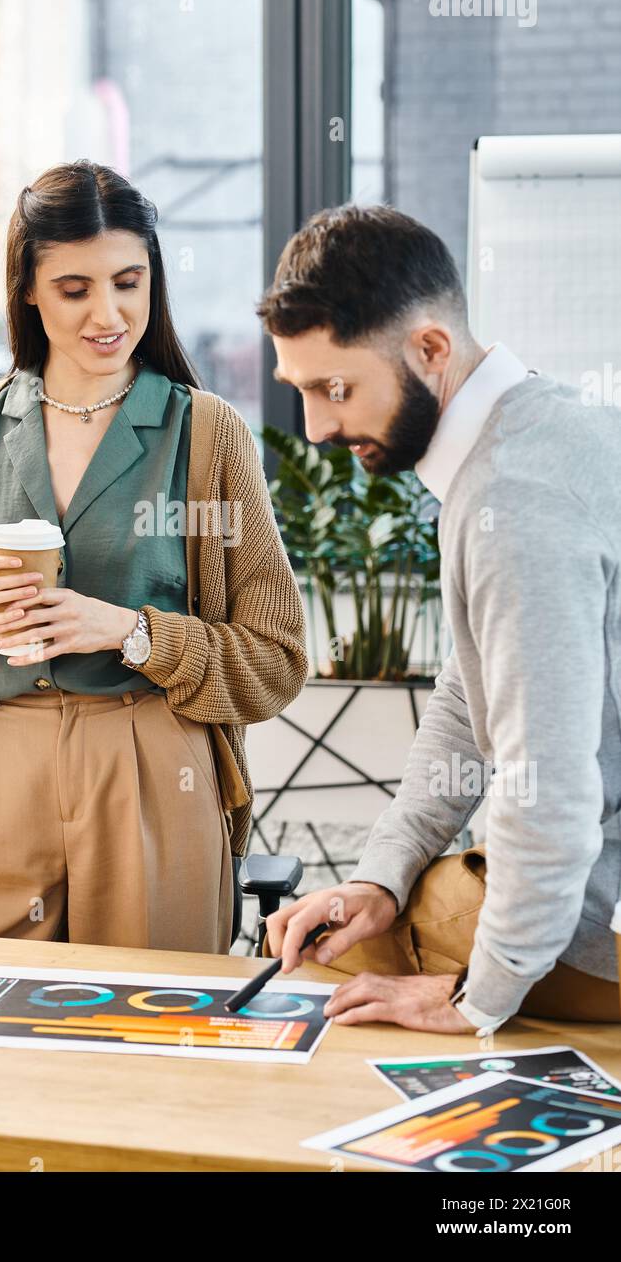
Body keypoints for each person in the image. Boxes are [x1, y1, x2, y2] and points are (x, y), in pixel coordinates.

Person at [0, 160, 308, 954]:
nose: (109, 313)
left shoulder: (206, 433)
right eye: (74, 289)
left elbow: (277, 661)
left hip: (153, 764)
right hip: (1, 766)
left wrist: (131, 633)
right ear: (28, 291)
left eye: (128, 281)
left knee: (152, 1035)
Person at [259, 203, 621, 1034]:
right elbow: (466, 706)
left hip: (602, 916)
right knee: (360, 921)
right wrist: (381, 876)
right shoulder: (539, 430)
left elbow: (551, 788)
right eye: (301, 390)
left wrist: (477, 998)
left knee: (330, 972)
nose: (315, 427)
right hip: (592, 873)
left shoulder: (515, 499)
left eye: (334, 387)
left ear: (430, 349)